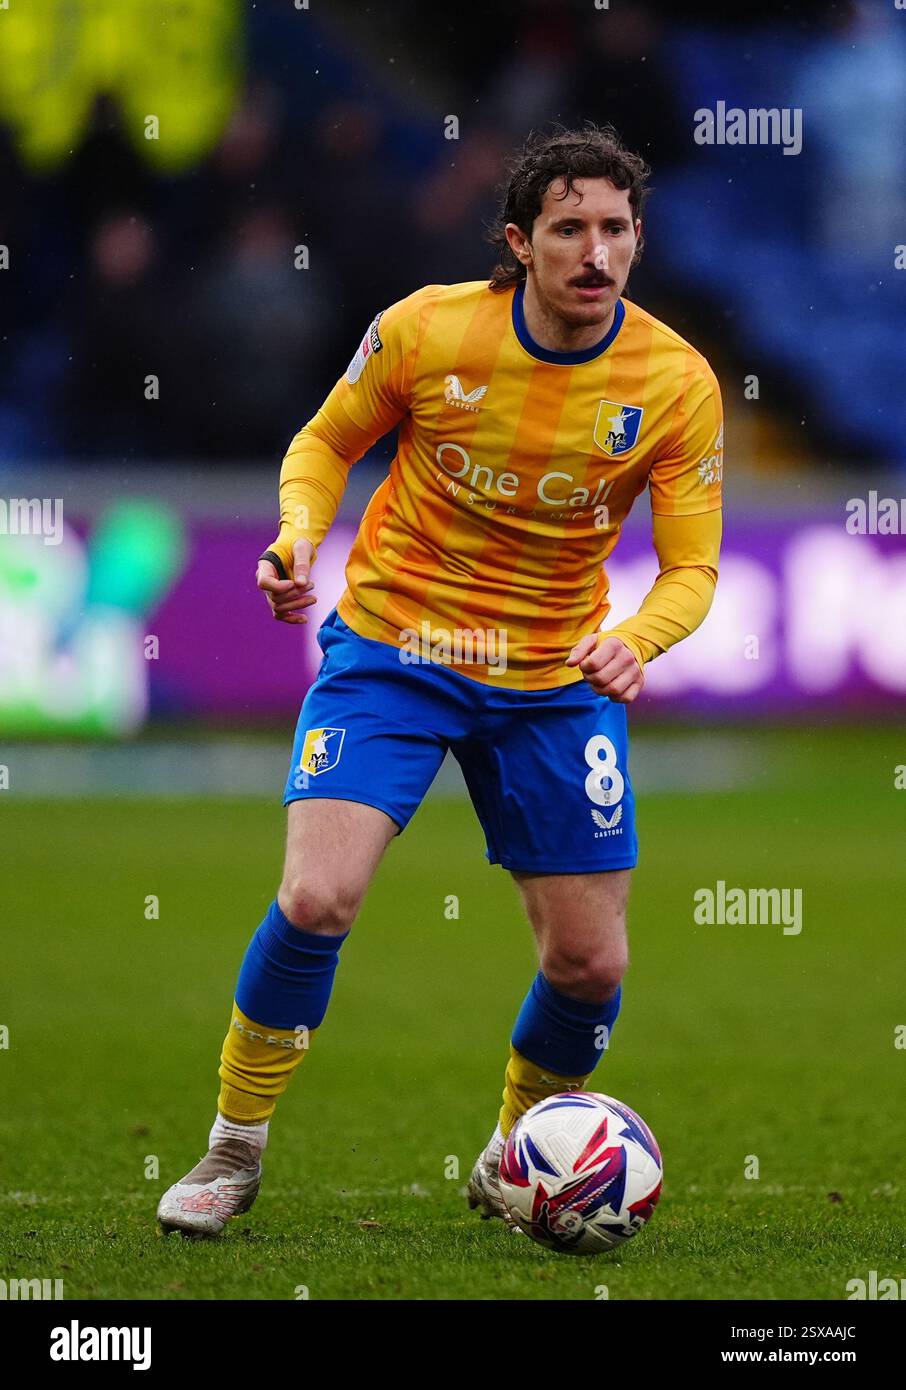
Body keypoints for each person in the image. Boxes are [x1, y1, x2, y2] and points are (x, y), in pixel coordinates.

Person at [157, 124, 723, 1237]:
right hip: (398, 651)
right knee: (317, 896)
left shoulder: (675, 381)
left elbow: (694, 565)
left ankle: (514, 1154)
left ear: (638, 239)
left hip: (557, 678)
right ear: (521, 242)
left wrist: (641, 638)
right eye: (569, 228)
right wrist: (297, 537)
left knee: (589, 960)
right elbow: (324, 442)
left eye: (614, 229)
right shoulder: (426, 329)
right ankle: (232, 1147)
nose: (594, 251)